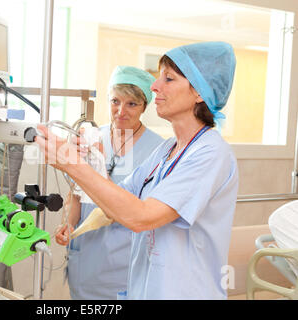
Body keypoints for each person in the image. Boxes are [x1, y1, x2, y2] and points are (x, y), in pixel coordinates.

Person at [36, 41, 239, 299]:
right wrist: (88, 162)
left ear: (199, 92)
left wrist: (70, 163)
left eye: (168, 79)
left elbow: (141, 217)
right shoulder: (166, 151)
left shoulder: (211, 154)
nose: (155, 87)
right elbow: (112, 207)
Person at [55, 66, 163, 300]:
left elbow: (147, 212)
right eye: (115, 101)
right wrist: (69, 225)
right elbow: (76, 192)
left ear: (144, 106)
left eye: (131, 104)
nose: (121, 111)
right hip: (86, 257)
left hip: (125, 259)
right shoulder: (90, 137)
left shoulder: (158, 149)